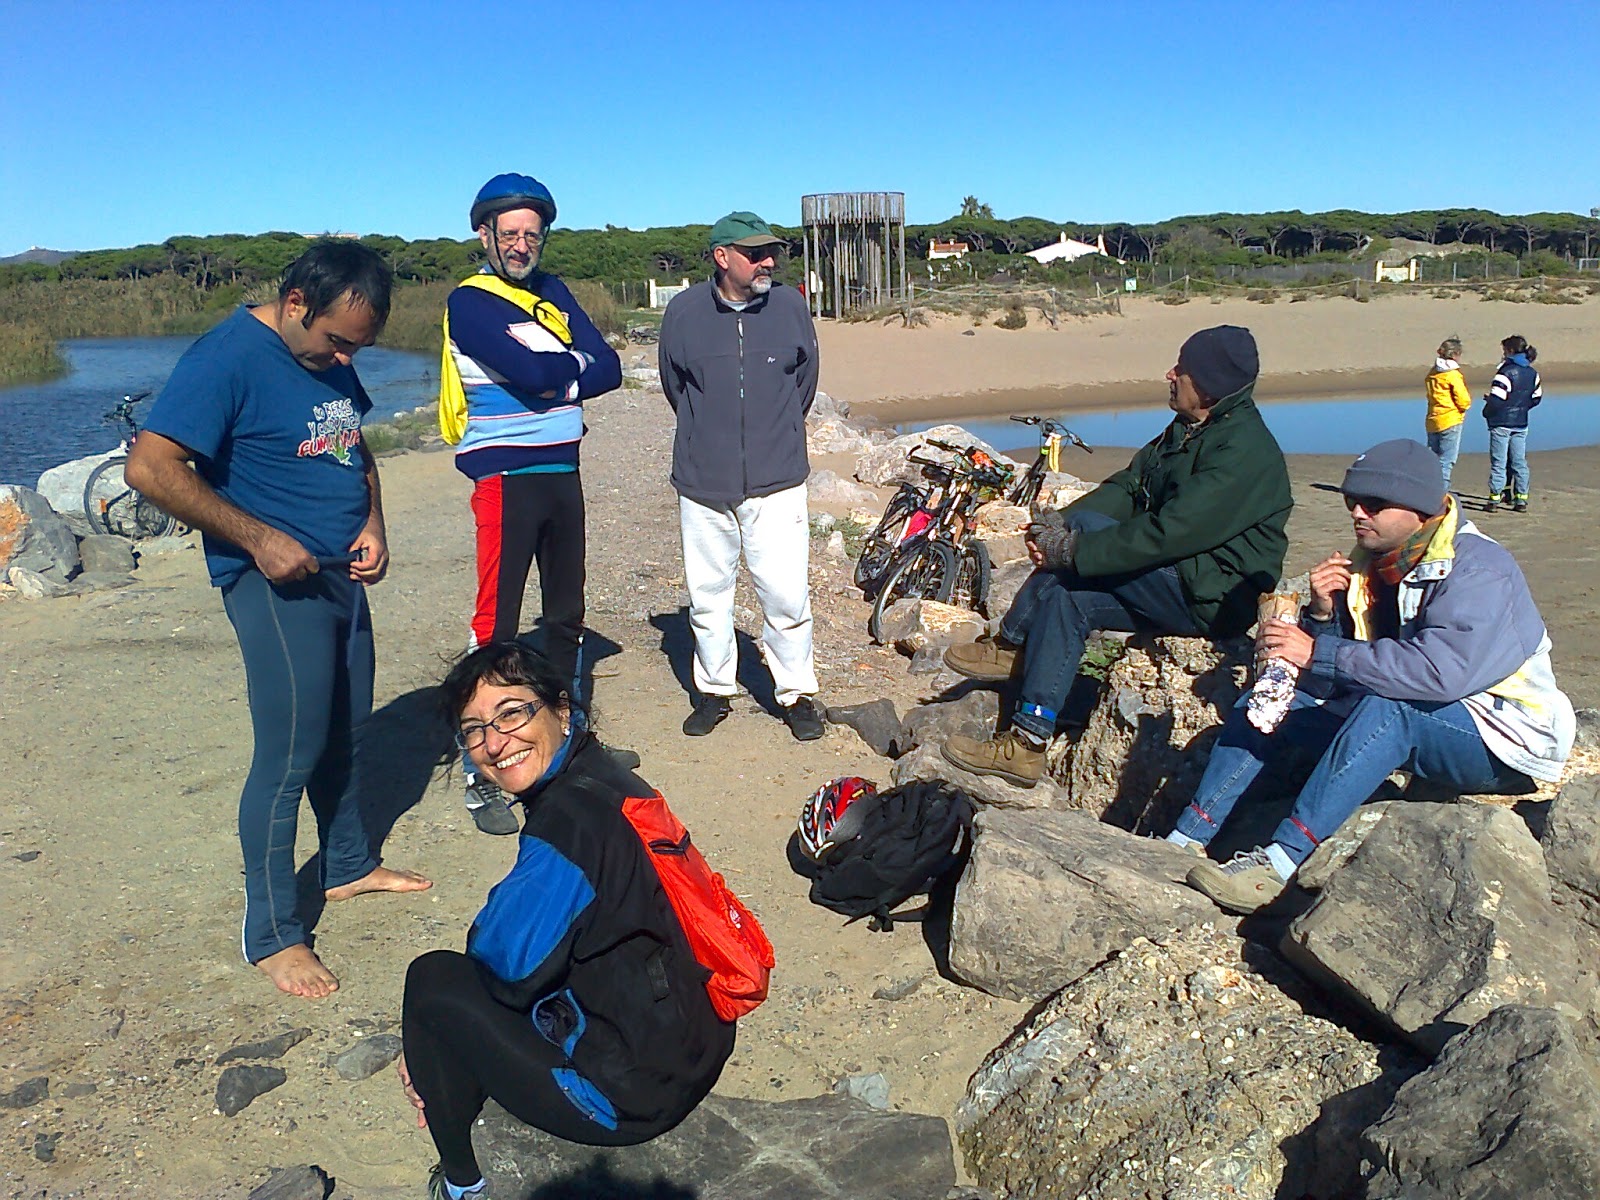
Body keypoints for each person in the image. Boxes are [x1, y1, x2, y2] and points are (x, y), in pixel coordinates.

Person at [125, 242, 431, 999]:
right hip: (271, 583)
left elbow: (355, 450)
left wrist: (374, 524)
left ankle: (349, 866)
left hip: (339, 575)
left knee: (346, 733)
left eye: (357, 346)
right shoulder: (226, 357)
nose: (344, 358)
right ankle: (270, 935)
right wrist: (257, 538)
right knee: (289, 755)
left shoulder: (333, 355)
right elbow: (151, 467)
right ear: (296, 303)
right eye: (337, 341)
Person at [1171, 438, 1575, 914]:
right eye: (1352, 502)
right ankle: (1185, 837)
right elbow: (1330, 683)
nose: (1359, 513)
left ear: (1422, 509)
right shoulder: (1371, 562)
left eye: (1376, 504)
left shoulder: (1480, 570)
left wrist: (1317, 649)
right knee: (1272, 703)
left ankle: (1279, 865)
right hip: (1416, 712)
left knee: (1392, 707)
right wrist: (1322, 617)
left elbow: (1435, 675)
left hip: (1503, 737)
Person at [398, 643, 735, 1200]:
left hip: (631, 1095)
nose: (495, 743)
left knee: (434, 982)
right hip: (693, 1042)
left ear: (560, 710)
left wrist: (431, 1043)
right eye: (474, 729)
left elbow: (505, 968)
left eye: (511, 713)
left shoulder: (568, 824)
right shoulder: (611, 778)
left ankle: (463, 1182)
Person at [940, 325, 1293, 788]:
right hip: (1180, 575)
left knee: (1079, 552)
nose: (1170, 374)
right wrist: (1061, 523)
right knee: (1069, 599)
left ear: (1206, 385)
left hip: (1211, 593)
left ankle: (1010, 644)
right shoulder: (1191, 428)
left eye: (1181, 369)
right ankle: (1027, 743)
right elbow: (1131, 487)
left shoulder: (1243, 451)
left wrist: (1074, 546)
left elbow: (1170, 534)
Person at [438, 173, 622, 832]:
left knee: (567, 616)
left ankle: (564, 744)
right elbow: (543, 373)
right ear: (484, 234)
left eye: (530, 234)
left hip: (560, 472)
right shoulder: (471, 301)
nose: (520, 245)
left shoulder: (553, 291)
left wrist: (558, 371)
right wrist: (565, 368)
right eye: (508, 233)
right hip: (505, 478)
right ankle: (479, 768)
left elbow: (612, 367)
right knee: (497, 628)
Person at [658, 211, 824, 741]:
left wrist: (769, 437)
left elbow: (805, 383)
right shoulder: (683, 312)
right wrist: (713, 438)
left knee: (786, 596)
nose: (767, 262)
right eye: (755, 254)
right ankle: (714, 690)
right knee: (709, 594)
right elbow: (675, 388)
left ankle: (796, 694)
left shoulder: (791, 306)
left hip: (778, 481)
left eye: (770, 251)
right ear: (721, 256)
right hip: (704, 482)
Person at [1483, 335, 1541, 513]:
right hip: (1520, 423)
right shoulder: (1532, 373)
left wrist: (1487, 410)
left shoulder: (1505, 372)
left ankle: (1494, 499)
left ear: (1509, 351)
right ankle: (1521, 499)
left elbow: (1498, 400)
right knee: (1519, 462)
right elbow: (1536, 398)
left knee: (1499, 462)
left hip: (1501, 422)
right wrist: (1521, 408)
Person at [1423, 336, 1471, 491]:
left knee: (1434, 460)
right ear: (1455, 354)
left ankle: (1431, 489)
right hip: (1450, 419)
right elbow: (1463, 399)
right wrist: (1463, 408)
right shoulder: (1453, 374)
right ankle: (1440, 493)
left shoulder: (1433, 372)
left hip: (1433, 419)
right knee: (1446, 461)